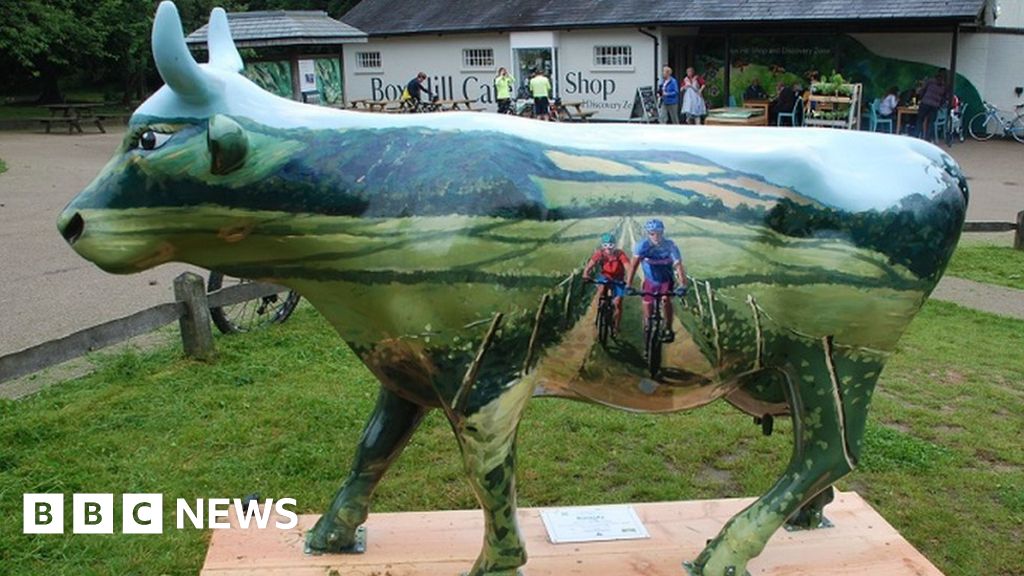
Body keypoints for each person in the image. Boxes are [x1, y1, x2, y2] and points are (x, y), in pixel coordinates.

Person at [626, 219, 688, 343]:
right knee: (647, 305)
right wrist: (628, 284)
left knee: (666, 300)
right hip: (650, 281)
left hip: (666, 280)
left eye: (659, 233)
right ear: (648, 234)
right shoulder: (642, 245)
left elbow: (678, 265)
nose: (656, 236)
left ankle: (668, 328)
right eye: (652, 233)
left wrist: (683, 285)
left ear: (662, 232)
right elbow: (633, 266)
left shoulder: (670, 245)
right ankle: (647, 326)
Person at [582, 233, 631, 336]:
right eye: (605, 245)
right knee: (601, 292)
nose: (608, 248)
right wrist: (586, 274)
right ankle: (599, 311)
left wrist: (628, 280)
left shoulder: (619, 254)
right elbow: (591, 264)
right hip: (605, 276)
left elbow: (628, 266)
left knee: (618, 303)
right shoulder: (600, 253)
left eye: (611, 245)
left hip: (618, 278)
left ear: (615, 245)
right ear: (602, 246)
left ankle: (616, 326)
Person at [915, 70, 948, 142]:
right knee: (931, 122)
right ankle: (927, 138)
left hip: (925, 102)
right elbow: (945, 97)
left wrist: (921, 98)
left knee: (920, 120)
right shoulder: (945, 85)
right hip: (935, 105)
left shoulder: (930, 81)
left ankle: (917, 137)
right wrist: (939, 105)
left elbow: (923, 90)